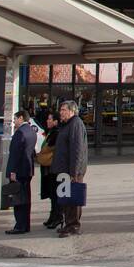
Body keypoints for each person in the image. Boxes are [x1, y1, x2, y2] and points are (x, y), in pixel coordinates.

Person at [51, 100, 88, 237]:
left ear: (72, 111)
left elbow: (77, 149)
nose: (61, 112)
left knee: (73, 199)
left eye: (64, 110)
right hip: (64, 169)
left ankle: (73, 226)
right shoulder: (66, 125)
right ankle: (68, 224)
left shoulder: (76, 124)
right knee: (66, 198)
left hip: (71, 170)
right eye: (60, 110)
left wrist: (74, 172)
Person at [4, 110, 40, 234]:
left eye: (15, 119)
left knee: (18, 199)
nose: (14, 121)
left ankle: (20, 225)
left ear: (21, 118)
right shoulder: (31, 131)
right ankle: (25, 224)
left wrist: (12, 171)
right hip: (28, 170)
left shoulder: (20, 133)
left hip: (19, 171)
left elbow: (15, 154)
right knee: (26, 198)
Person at [38, 110, 61, 229]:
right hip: (48, 168)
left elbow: (48, 149)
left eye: (50, 119)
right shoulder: (50, 132)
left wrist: (41, 153)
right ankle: (53, 216)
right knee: (52, 194)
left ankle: (57, 217)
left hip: (53, 168)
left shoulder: (56, 133)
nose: (47, 121)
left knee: (55, 193)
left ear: (56, 121)